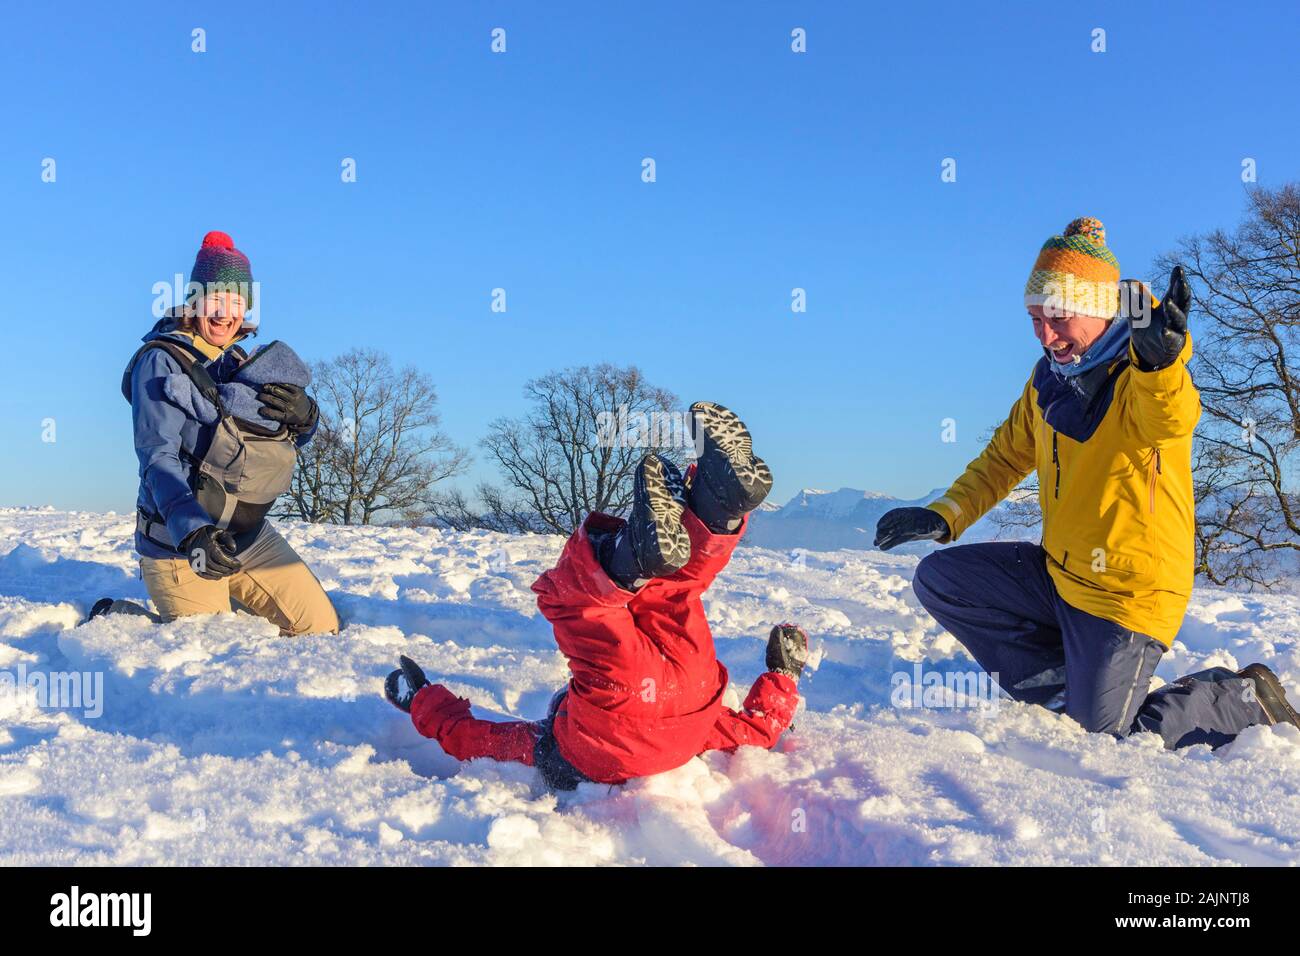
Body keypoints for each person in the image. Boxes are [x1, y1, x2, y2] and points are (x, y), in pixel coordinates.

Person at [874, 217, 1299, 748]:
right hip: (1060, 575)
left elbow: (1172, 418)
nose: (1045, 334)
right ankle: (1063, 688)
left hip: (1126, 594)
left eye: (1058, 316)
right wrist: (946, 513)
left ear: (1100, 310)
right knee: (941, 579)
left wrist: (1161, 363)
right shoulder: (1049, 380)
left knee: (1106, 742)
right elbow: (1005, 457)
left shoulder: (1140, 379)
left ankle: (1238, 697)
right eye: (1034, 318)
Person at [384, 402, 810, 789]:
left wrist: (784, 674)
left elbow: (756, 729)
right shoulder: (559, 737)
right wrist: (425, 704)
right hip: (655, 700)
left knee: (674, 591)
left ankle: (717, 513)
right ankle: (654, 541)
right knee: (582, 606)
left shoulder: (552, 745)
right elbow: (470, 739)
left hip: (689, 701)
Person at [97, 231, 339, 637]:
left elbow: (274, 443)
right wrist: (193, 530)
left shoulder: (243, 363)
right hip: (181, 544)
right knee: (208, 649)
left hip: (246, 535)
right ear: (194, 302)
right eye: (215, 300)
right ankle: (119, 618)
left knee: (319, 628)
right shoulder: (161, 362)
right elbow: (158, 457)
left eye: (237, 303)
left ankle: (233, 597)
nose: (226, 313)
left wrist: (306, 416)